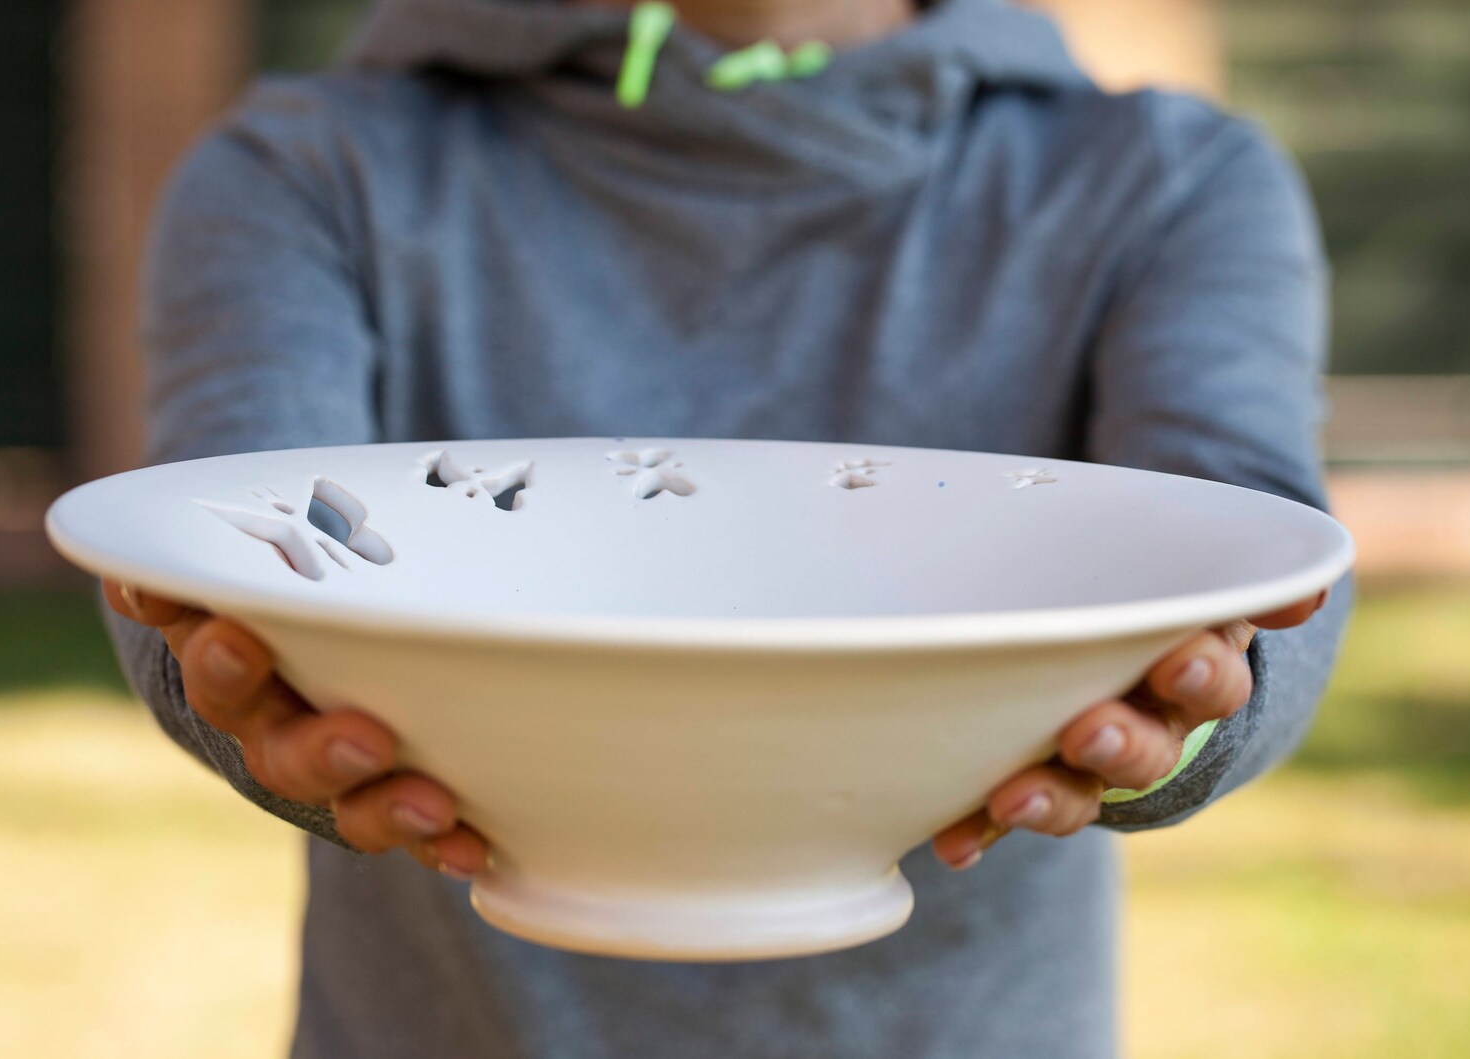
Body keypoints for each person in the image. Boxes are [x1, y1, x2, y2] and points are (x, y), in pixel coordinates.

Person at [101, 0, 1350, 1054]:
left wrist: (1192, 713)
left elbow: (1251, 543)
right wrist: (247, 701)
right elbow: (213, 560)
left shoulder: (1166, 181)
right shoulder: (315, 166)